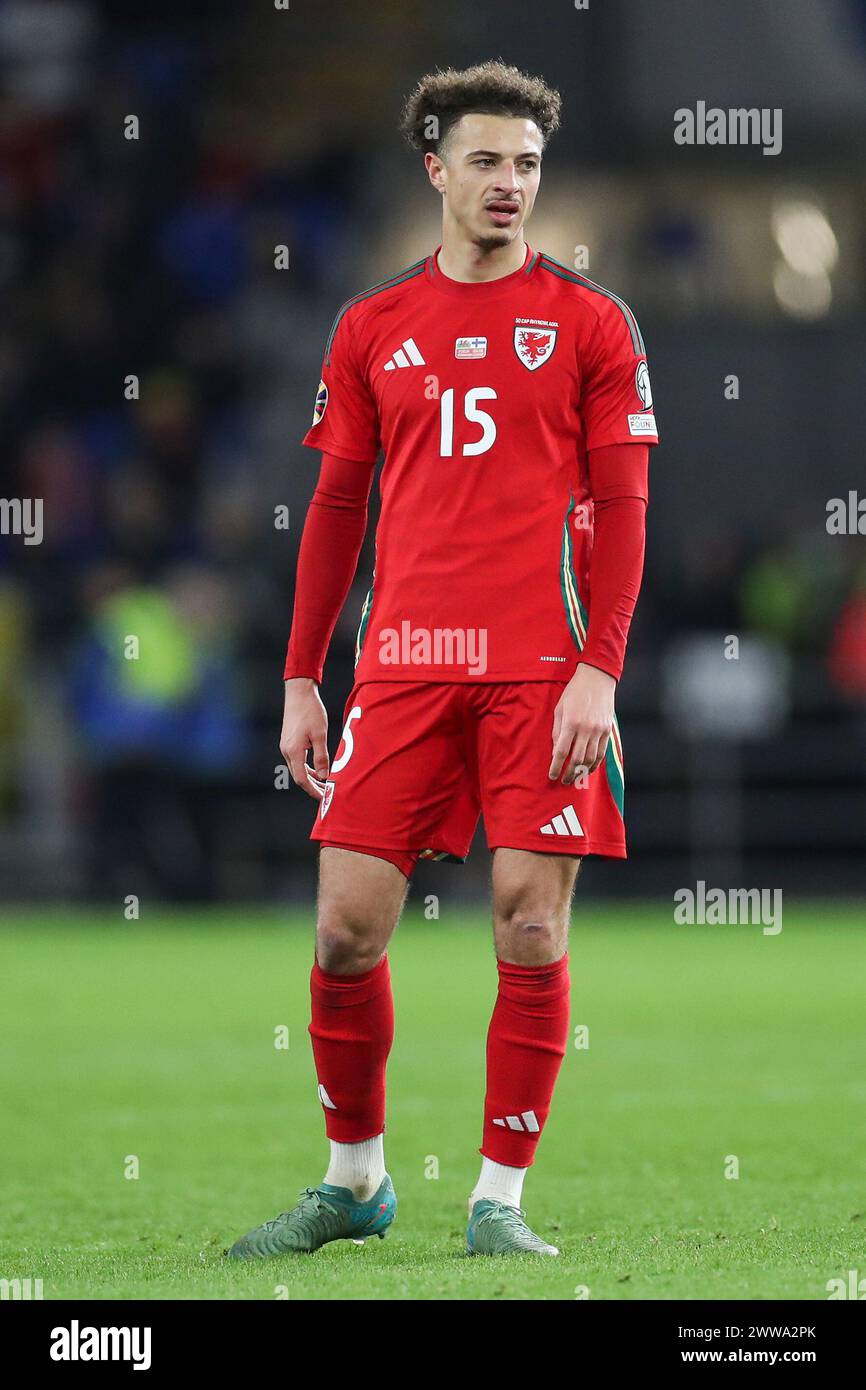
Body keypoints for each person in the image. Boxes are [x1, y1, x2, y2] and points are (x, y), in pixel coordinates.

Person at [229, 60, 659, 1260]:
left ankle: (496, 1202)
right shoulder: (371, 326)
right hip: (404, 664)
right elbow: (333, 509)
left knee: (527, 925)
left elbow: (624, 512)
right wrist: (303, 676)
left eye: (525, 164)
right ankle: (354, 1180)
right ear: (435, 168)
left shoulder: (590, 323)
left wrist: (599, 670)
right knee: (344, 932)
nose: (508, 184)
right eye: (484, 160)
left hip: (544, 667)